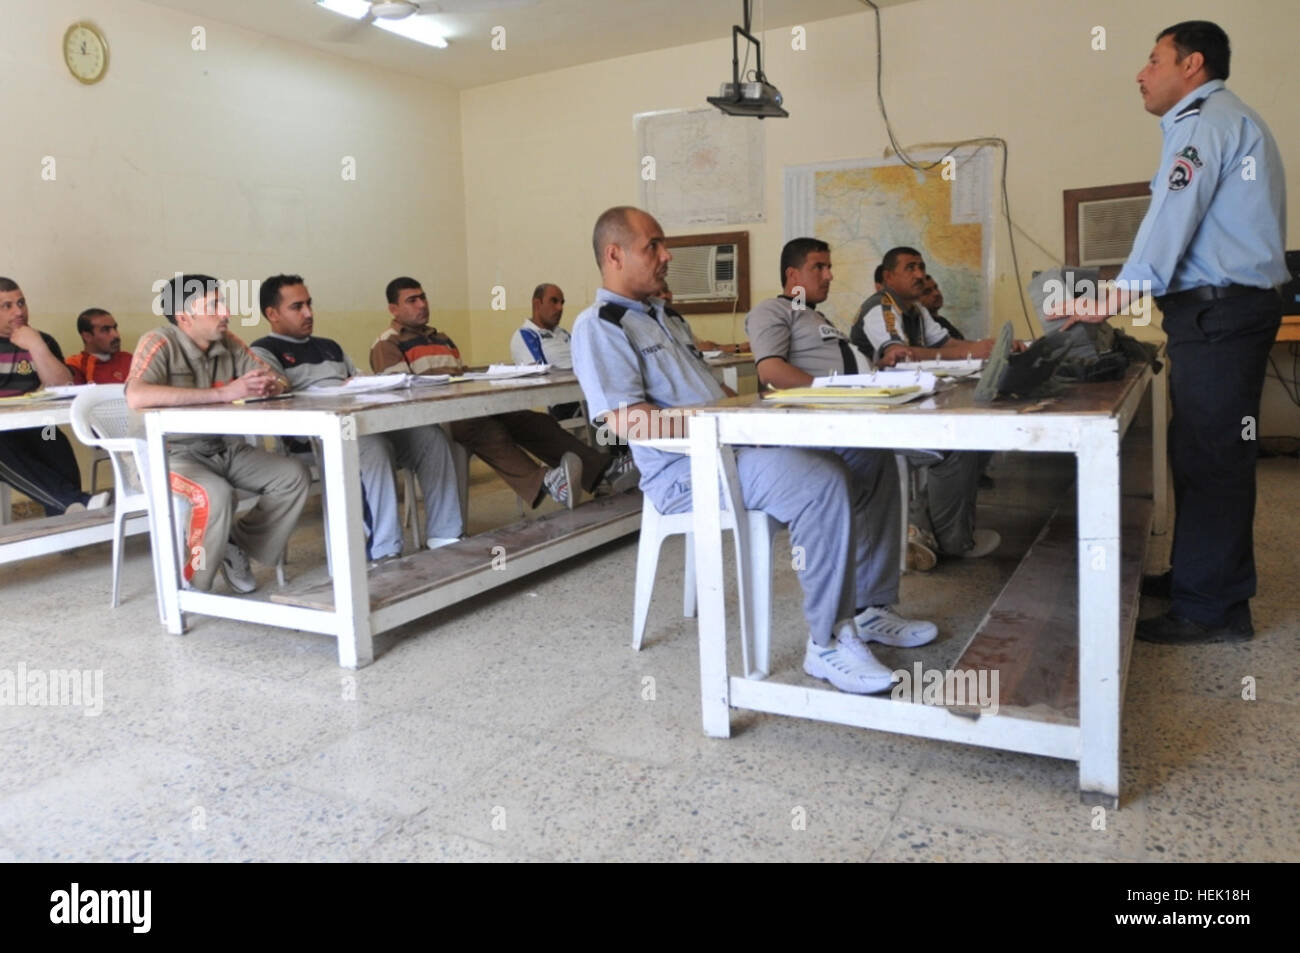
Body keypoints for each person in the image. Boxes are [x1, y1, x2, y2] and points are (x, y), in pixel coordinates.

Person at [571, 206, 938, 695]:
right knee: (820, 479)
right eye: (652, 246)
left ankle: (868, 609)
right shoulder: (600, 325)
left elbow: (707, 393)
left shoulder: (666, 317)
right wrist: (723, 425)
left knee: (865, 456)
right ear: (614, 254)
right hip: (687, 470)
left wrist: (754, 419)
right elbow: (626, 420)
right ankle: (827, 643)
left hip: (731, 445)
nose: (667, 254)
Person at [1054, 21, 1287, 644]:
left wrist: (1108, 298)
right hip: (1218, 313)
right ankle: (1199, 578)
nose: (1140, 72)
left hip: (1219, 314)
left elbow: (1170, 218)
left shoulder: (1203, 122)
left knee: (1212, 456)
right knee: (1203, 449)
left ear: (1193, 65)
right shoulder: (1220, 120)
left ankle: (1211, 608)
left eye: (1154, 59)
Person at [746, 236, 936, 573]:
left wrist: (875, 375)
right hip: (822, 422)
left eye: (829, 267)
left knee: (927, 439)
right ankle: (914, 531)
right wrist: (842, 392)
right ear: (792, 275)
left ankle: (904, 540)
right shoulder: (773, 310)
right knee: (921, 449)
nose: (829, 275)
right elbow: (771, 372)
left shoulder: (816, 318)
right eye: (818, 267)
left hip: (856, 410)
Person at [371, 277, 636, 509]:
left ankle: (604, 471)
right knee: (484, 429)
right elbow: (400, 395)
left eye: (423, 297)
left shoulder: (442, 339)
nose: (421, 305)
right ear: (393, 309)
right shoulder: (388, 343)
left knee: (533, 420)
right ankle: (547, 482)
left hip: (465, 408)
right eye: (412, 300)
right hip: (433, 421)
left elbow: (459, 377)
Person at [249, 274, 462, 561]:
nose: (309, 313)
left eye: (309, 304)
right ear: (272, 314)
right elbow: (275, 397)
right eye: (297, 307)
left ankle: (445, 535)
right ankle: (384, 550)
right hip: (314, 439)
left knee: (430, 437)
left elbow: (358, 381)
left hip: (360, 423)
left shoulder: (330, 346)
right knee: (372, 447)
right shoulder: (263, 350)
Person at [126, 274, 311, 593]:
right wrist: (224, 393)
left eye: (222, 303)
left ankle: (232, 542)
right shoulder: (159, 342)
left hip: (221, 449)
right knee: (215, 494)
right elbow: (137, 396)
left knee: (293, 476)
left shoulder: (231, 343)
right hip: (167, 455)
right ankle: (193, 584)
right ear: (185, 318)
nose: (225, 312)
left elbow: (281, 381)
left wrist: (268, 384)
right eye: (214, 306)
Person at [850, 247, 1002, 560]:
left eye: (921, 267)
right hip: (880, 418)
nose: (920, 275)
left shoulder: (917, 311)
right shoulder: (882, 308)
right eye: (910, 268)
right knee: (958, 444)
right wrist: (969, 351)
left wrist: (990, 347)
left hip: (910, 407)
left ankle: (923, 530)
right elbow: (901, 354)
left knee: (979, 429)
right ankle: (953, 542)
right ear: (888, 276)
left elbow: (949, 344)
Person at [0, 278, 106, 514]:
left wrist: (37, 347)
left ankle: (69, 525)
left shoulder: (42, 340)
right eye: (7, 306)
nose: (18, 311)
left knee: (54, 442)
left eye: (21, 303)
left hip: (34, 426)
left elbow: (63, 386)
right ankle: (75, 503)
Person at [509, 282, 583, 421]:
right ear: (537, 304)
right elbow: (538, 376)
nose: (560, 308)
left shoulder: (564, 334)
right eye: (554, 301)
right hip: (565, 401)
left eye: (562, 303)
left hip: (588, 391)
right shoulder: (525, 336)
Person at [66, 308, 132, 384]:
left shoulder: (129, 359)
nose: (116, 335)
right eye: (105, 330)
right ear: (87, 336)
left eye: (115, 328)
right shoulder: (75, 365)